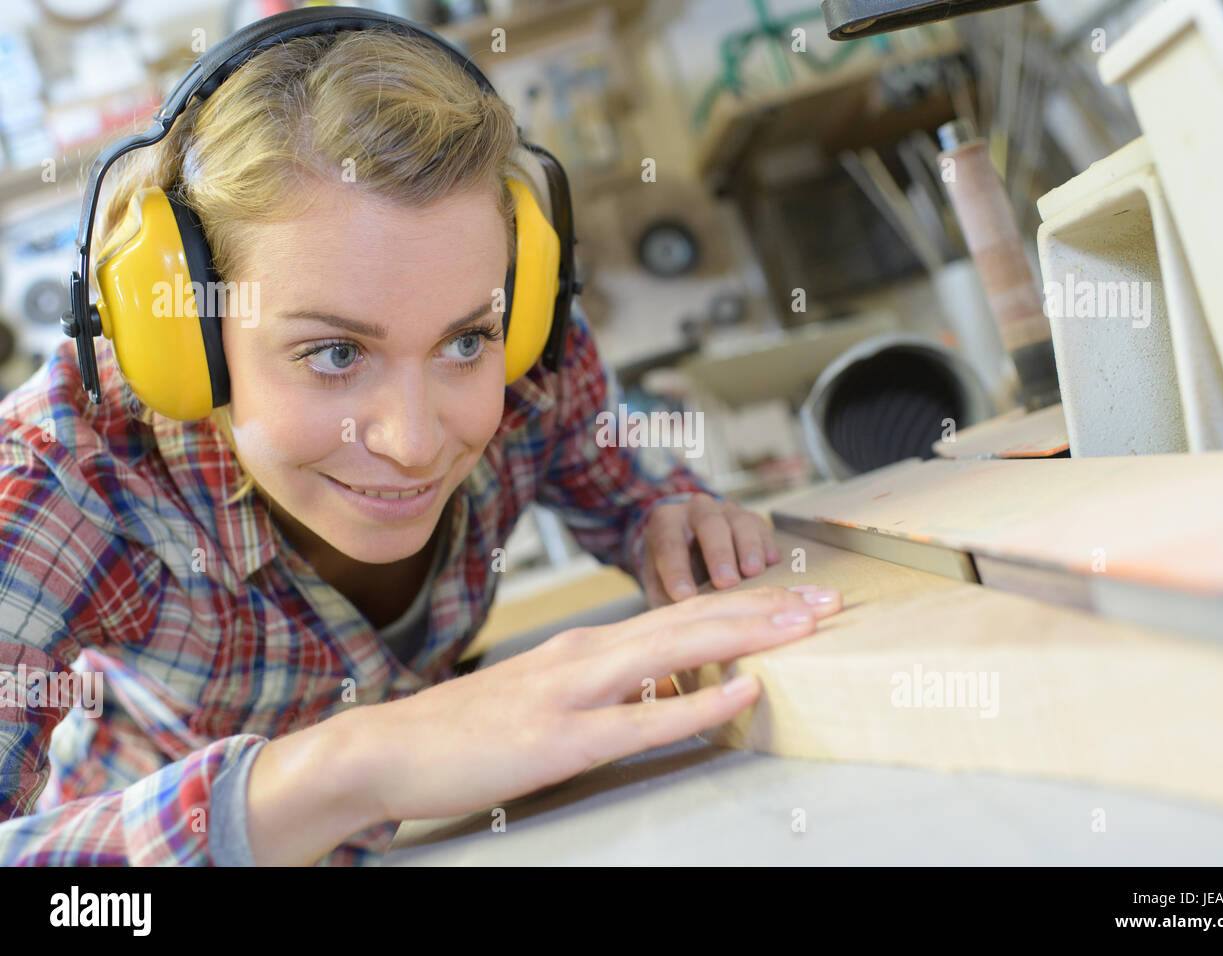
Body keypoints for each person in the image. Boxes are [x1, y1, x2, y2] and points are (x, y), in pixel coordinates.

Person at [0, 25, 843, 866]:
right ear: (185, 339)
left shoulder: (528, 355)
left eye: (465, 343)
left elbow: (631, 492)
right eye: (335, 354)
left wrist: (670, 521)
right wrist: (351, 766)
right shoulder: (66, 471)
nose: (414, 441)